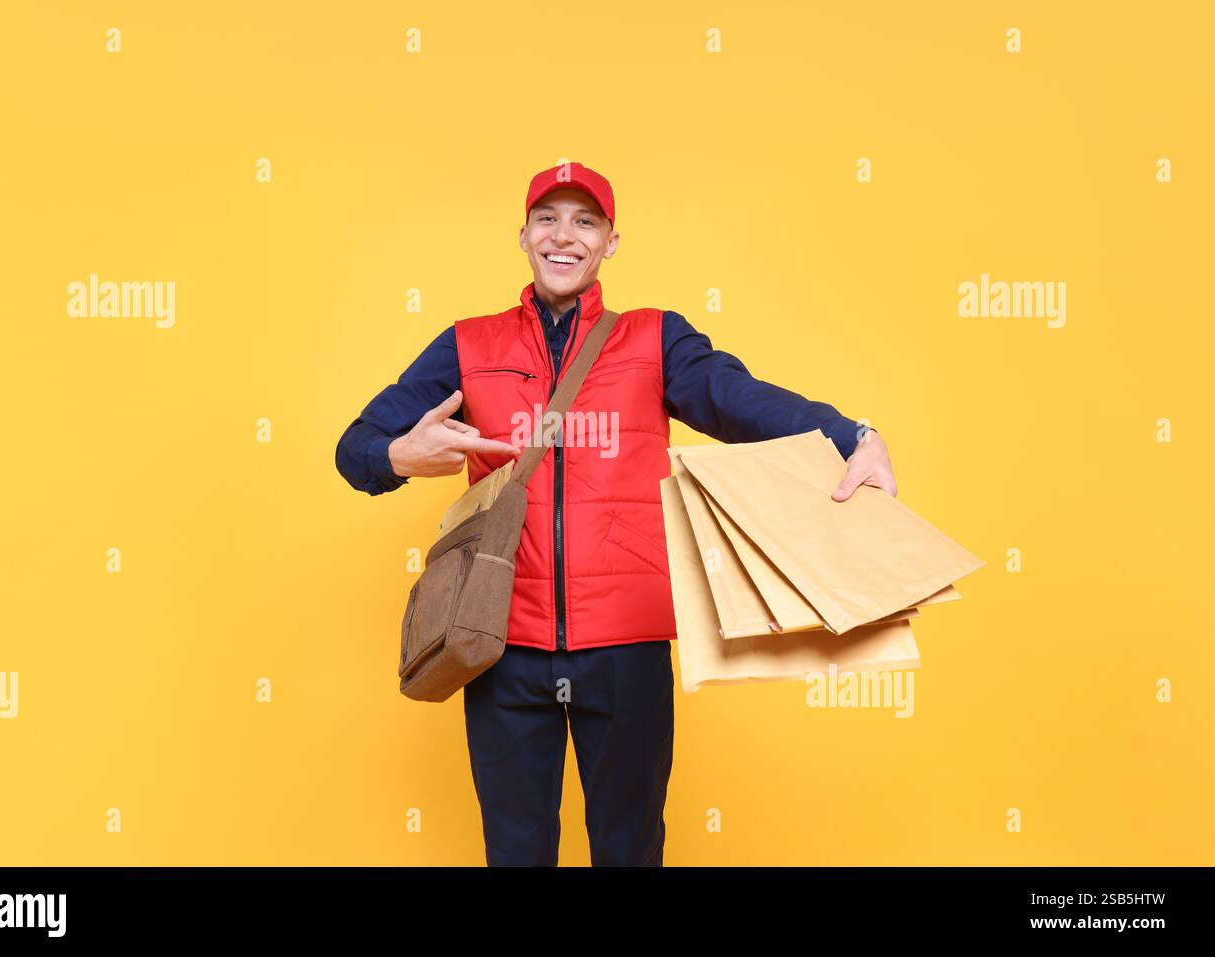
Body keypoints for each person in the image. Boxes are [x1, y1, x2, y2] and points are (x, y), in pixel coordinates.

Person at [335, 162, 899, 866]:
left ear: (611, 242)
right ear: (522, 235)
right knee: (515, 852)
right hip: (498, 644)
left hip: (627, 649)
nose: (563, 236)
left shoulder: (655, 338)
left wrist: (854, 434)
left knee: (630, 851)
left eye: (585, 221)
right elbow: (353, 447)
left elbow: (738, 399)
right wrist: (394, 455)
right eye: (547, 218)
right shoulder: (468, 345)